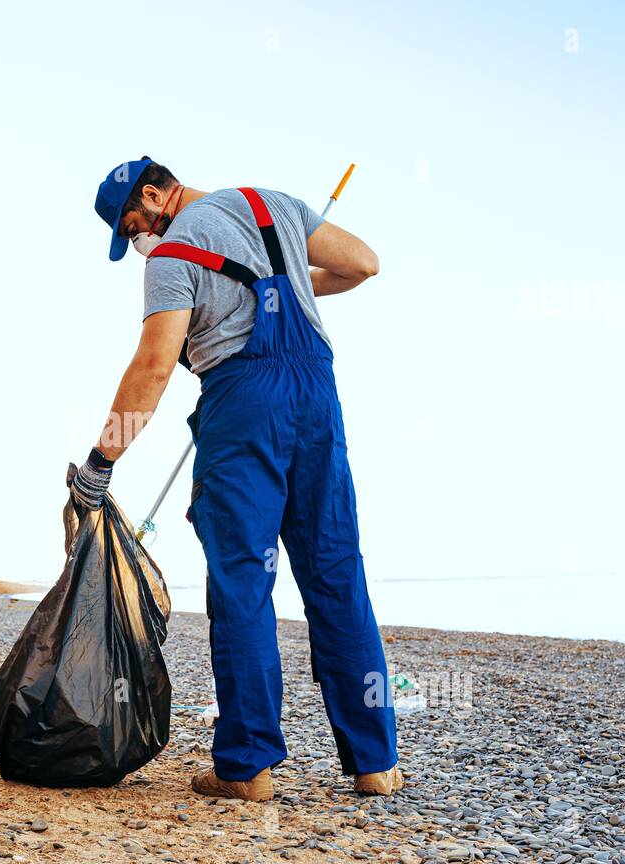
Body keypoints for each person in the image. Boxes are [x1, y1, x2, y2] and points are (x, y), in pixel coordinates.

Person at [70, 156, 404, 800]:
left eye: (133, 225)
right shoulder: (271, 202)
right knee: (336, 571)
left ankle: (248, 767)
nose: (139, 242)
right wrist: (284, 284)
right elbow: (363, 263)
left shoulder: (172, 254)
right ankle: (375, 763)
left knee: (242, 580)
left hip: (241, 400)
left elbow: (153, 367)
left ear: (152, 197)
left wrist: (102, 460)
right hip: (316, 397)